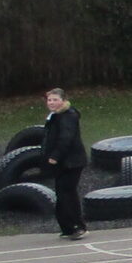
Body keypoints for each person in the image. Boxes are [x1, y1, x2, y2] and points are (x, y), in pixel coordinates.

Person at [42, 88, 88, 240]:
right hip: (62, 162)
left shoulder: (68, 115)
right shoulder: (55, 116)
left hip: (72, 161)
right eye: (49, 100)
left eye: (55, 100)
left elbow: (66, 138)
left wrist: (55, 155)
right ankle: (67, 227)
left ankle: (78, 226)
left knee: (67, 193)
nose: (52, 103)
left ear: (63, 100)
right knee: (61, 192)